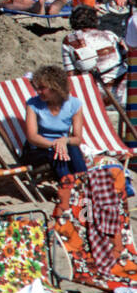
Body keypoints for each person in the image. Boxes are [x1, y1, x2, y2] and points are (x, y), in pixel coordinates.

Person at [22, 65, 88, 211]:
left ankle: (82, 186)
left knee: (72, 147)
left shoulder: (74, 104)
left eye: (42, 88)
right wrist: (55, 144)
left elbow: (77, 138)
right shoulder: (33, 104)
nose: (38, 91)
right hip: (36, 150)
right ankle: (72, 190)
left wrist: (64, 141)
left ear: (56, 87)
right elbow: (32, 137)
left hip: (64, 148)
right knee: (58, 152)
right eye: (37, 87)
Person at [60, 5, 126, 90]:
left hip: (95, 90)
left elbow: (70, 74)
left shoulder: (69, 40)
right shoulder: (109, 35)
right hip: (122, 83)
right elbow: (125, 56)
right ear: (95, 20)